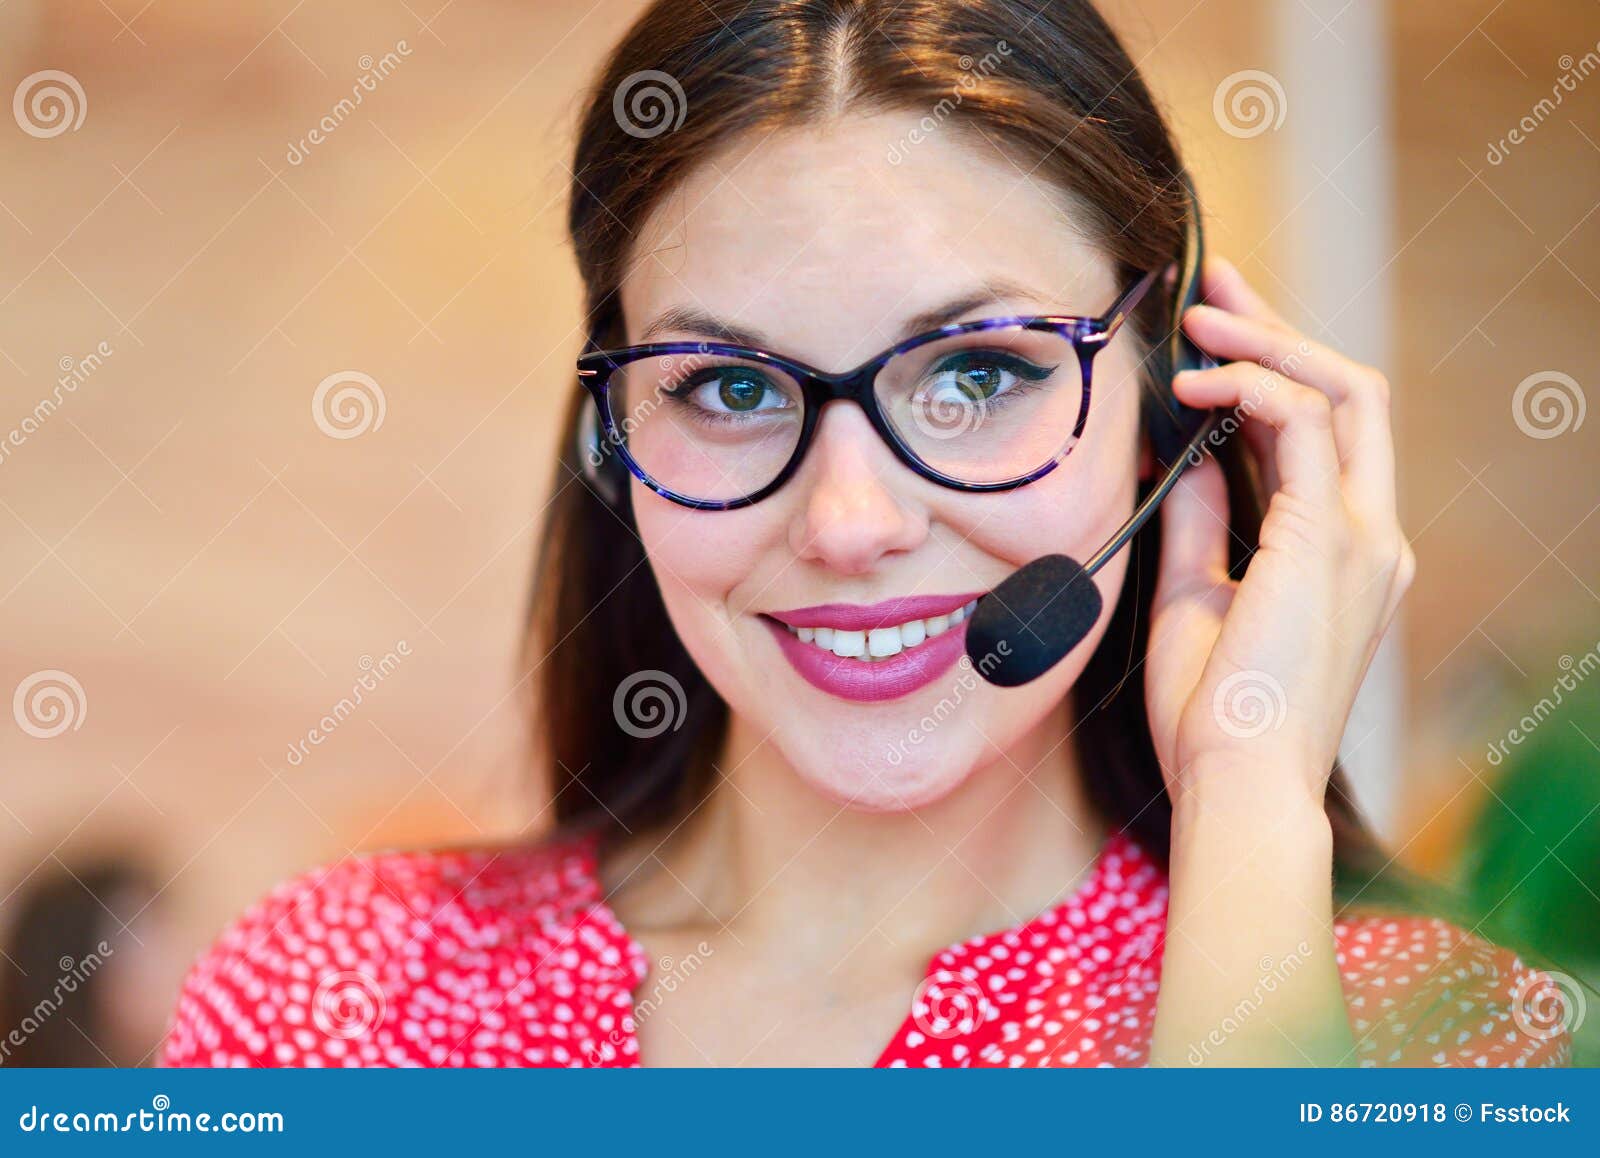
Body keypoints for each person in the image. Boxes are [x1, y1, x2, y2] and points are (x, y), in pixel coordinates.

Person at [161, 0, 1568, 1068]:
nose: (849, 522)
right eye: (730, 388)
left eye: (977, 374)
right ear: (615, 435)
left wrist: (1249, 797)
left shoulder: (1443, 1037)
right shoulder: (336, 1000)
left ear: (1165, 400)